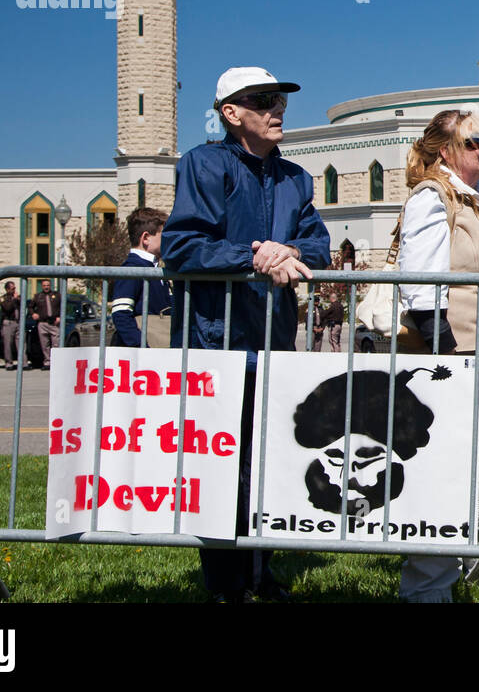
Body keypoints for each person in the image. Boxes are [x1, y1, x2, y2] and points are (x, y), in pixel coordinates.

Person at [161, 66, 331, 604]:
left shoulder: (296, 178)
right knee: (220, 468)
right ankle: (225, 584)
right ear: (231, 113)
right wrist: (253, 254)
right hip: (216, 345)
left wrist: (293, 252)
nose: (277, 108)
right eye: (262, 101)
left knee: (268, 464)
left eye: (280, 99)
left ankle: (262, 574)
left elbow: (319, 245)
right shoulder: (204, 164)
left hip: (273, 345)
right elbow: (182, 247)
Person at [396, 109, 479, 602]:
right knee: (442, 464)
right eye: (474, 142)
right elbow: (421, 279)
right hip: (455, 352)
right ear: (446, 150)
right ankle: (429, 583)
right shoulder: (434, 196)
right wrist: (442, 354)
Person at [109, 207, 171, 347]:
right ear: (146, 238)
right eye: (163, 235)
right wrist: (141, 347)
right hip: (142, 356)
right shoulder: (132, 269)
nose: (168, 241)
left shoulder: (154, 269)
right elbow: (121, 314)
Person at [30, 280, 61, 369]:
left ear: (50, 286)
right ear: (42, 286)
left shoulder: (57, 295)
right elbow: (30, 307)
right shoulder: (38, 296)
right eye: (44, 285)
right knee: (45, 345)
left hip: (54, 323)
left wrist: (60, 317)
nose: (46, 287)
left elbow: (63, 306)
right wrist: (33, 314)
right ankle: (47, 362)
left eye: (47, 285)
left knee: (56, 344)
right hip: (42, 323)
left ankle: (56, 362)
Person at [0, 281, 20, 370]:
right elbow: (7, 308)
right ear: (7, 289)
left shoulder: (18, 298)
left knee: (21, 343)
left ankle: (23, 363)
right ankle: (9, 363)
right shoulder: (3, 298)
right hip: (8, 322)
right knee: (8, 344)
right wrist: (14, 300)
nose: (14, 290)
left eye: (14, 288)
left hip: (18, 322)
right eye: (12, 288)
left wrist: (18, 299)